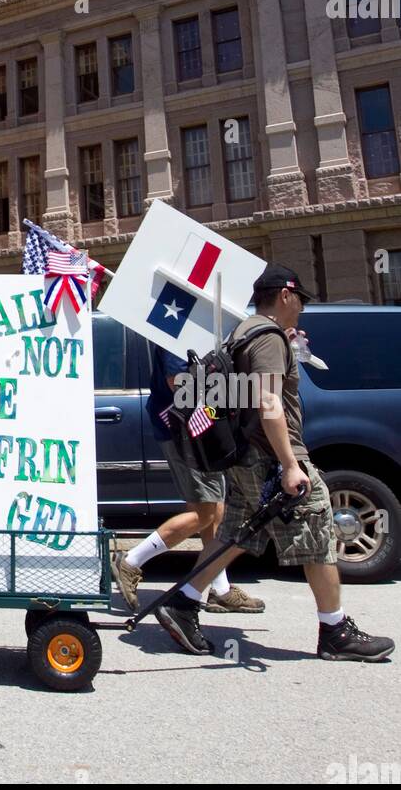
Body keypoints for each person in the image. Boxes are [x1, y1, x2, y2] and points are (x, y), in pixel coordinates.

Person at [155, 265, 395, 661]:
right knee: (319, 531)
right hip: (270, 457)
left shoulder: (246, 331)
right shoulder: (266, 338)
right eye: (300, 298)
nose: (302, 307)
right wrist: (289, 464)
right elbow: (268, 403)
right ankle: (335, 630)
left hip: (248, 455)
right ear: (285, 295)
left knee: (237, 534)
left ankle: (183, 603)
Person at [111, 344, 264, 615]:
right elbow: (177, 383)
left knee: (215, 509)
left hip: (200, 428)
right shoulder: (179, 329)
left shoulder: (197, 323)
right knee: (205, 511)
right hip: (186, 429)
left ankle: (221, 589)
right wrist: (230, 391)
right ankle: (132, 560)